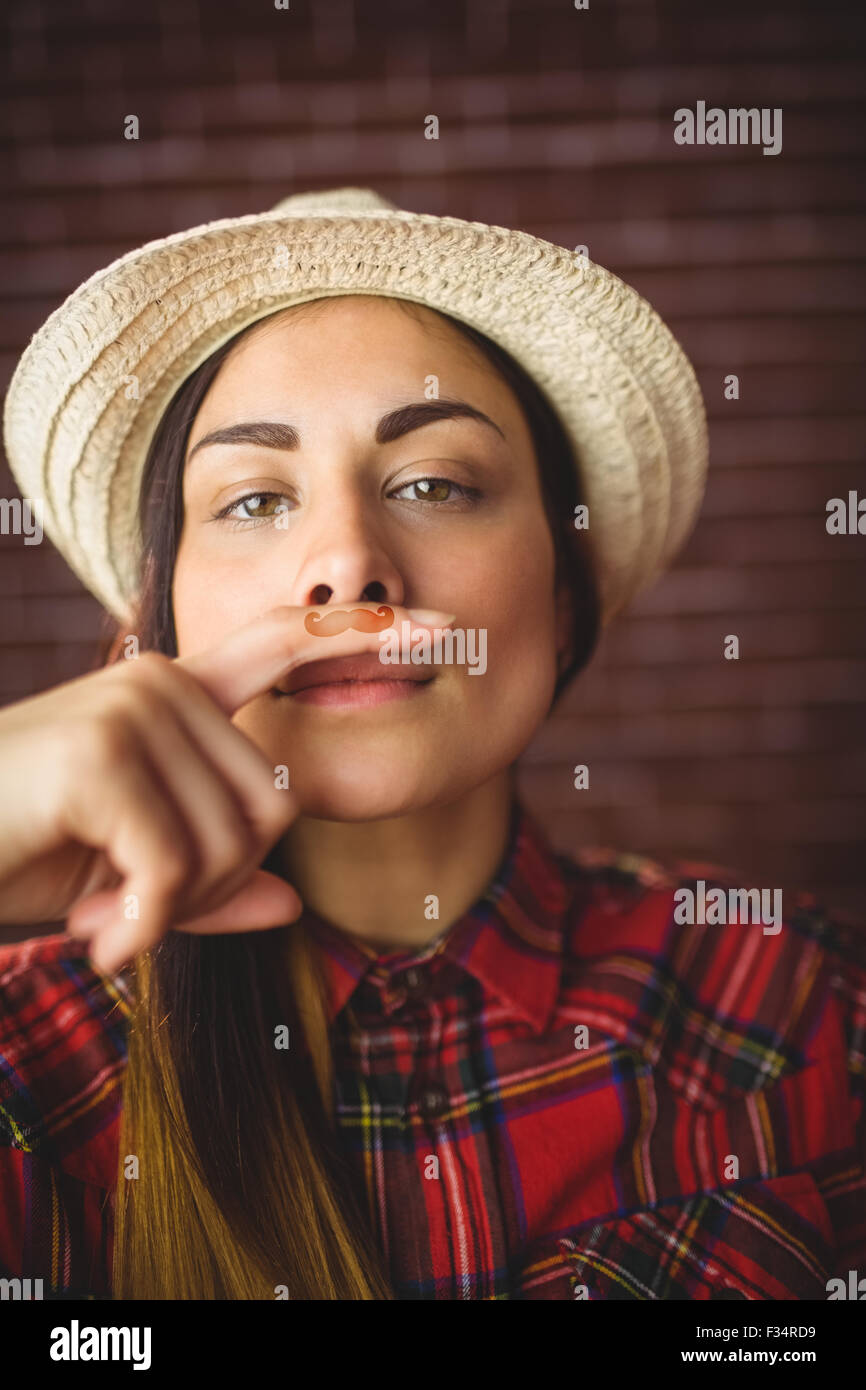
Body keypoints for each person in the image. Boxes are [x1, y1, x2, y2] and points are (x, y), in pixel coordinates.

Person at [0, 189, 863, 1301]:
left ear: (563, 598)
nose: (348, 561)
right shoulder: (23, 1063)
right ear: (153, 626)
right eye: (255, 501)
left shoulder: (799, 1001)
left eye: (434, 483)